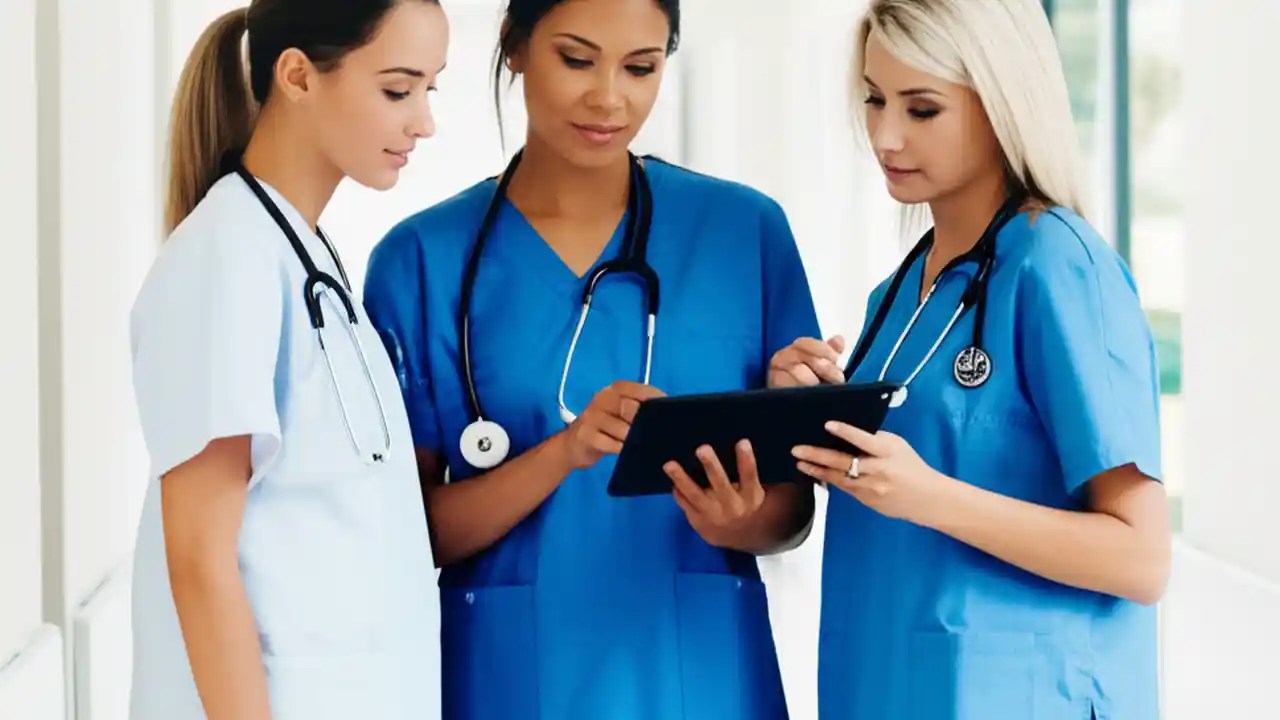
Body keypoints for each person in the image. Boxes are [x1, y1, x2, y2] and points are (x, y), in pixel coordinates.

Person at [363, 0, 819, 717]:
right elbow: (405, 531)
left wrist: (736, 520)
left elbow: (793, 514)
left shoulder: (743, 235)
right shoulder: (421, 260)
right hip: (512, 677)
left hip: (697, 677)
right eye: (576, 59)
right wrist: (565, 451)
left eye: (641, 67)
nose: (610, 97)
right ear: (514, 47)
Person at [771, 1, 1172, 718]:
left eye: (923, 109)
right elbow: (901, 478)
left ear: (1002, 105)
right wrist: (807, 409)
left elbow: (1140, 560)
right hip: (885, 685)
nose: (885, 135)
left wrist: (930, 496)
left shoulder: (1058, 266)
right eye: (874, 99)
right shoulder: (901, 291)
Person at [127, 2, 448, 718]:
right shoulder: (227, 259)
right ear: (297, 75)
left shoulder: (304, 261)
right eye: (398, 89)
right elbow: (199, 561)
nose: (423, 121)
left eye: (432, 88)